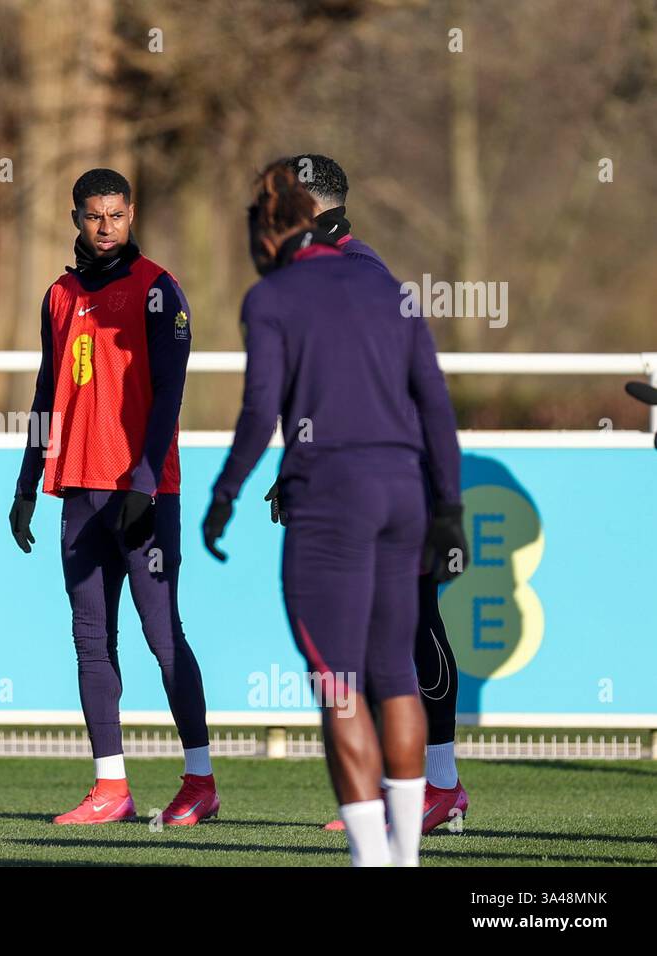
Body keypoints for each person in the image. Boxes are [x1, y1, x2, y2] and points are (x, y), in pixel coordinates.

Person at [203, 161, 468, 866]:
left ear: (272, 229)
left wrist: (225, 490)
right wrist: (450, 508)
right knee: (395, 675)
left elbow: (261, 410)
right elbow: (436, 404)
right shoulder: (390, 288)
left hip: (332, 500)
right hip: (405, 491)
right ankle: (405, 854)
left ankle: (369, 858)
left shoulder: (272, 298)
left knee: (338, 681)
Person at [11, 168, 217, 826]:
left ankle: (201, 779)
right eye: (94, 216)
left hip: (143, 498)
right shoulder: (59, 295)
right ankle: (111, 788)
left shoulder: (159, 290)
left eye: (117, 216)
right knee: (90, 640)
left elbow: (168, 398)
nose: (106, 227)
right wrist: (24, 487)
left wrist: (146, 482)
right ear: (76, 218)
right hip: (78, 494)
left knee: (163, 637)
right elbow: (47, 395)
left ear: (132, 217)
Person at [277, 154, 469, 832]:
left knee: (412, 626)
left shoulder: (358, 276)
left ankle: (436, 787)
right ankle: (419, 789)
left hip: (393, 477)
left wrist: (444, 502)